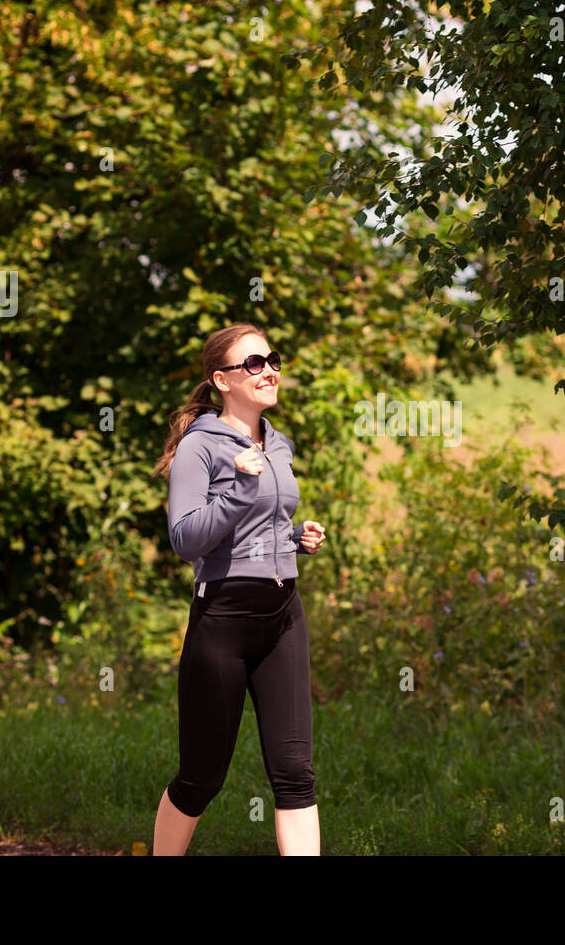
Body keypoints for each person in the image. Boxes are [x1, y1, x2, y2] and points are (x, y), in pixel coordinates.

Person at [150, 323, 326, 855]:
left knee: (296, 774)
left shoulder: (278, 442)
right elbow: (185, 539)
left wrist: (294, 539)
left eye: (272, 358)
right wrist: (239, 492)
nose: (269, 369)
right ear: (221, 379)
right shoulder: (198, 447)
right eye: (253, 363)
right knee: (202, 777)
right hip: (222, 620)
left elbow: (262, 527)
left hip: (282, 616)